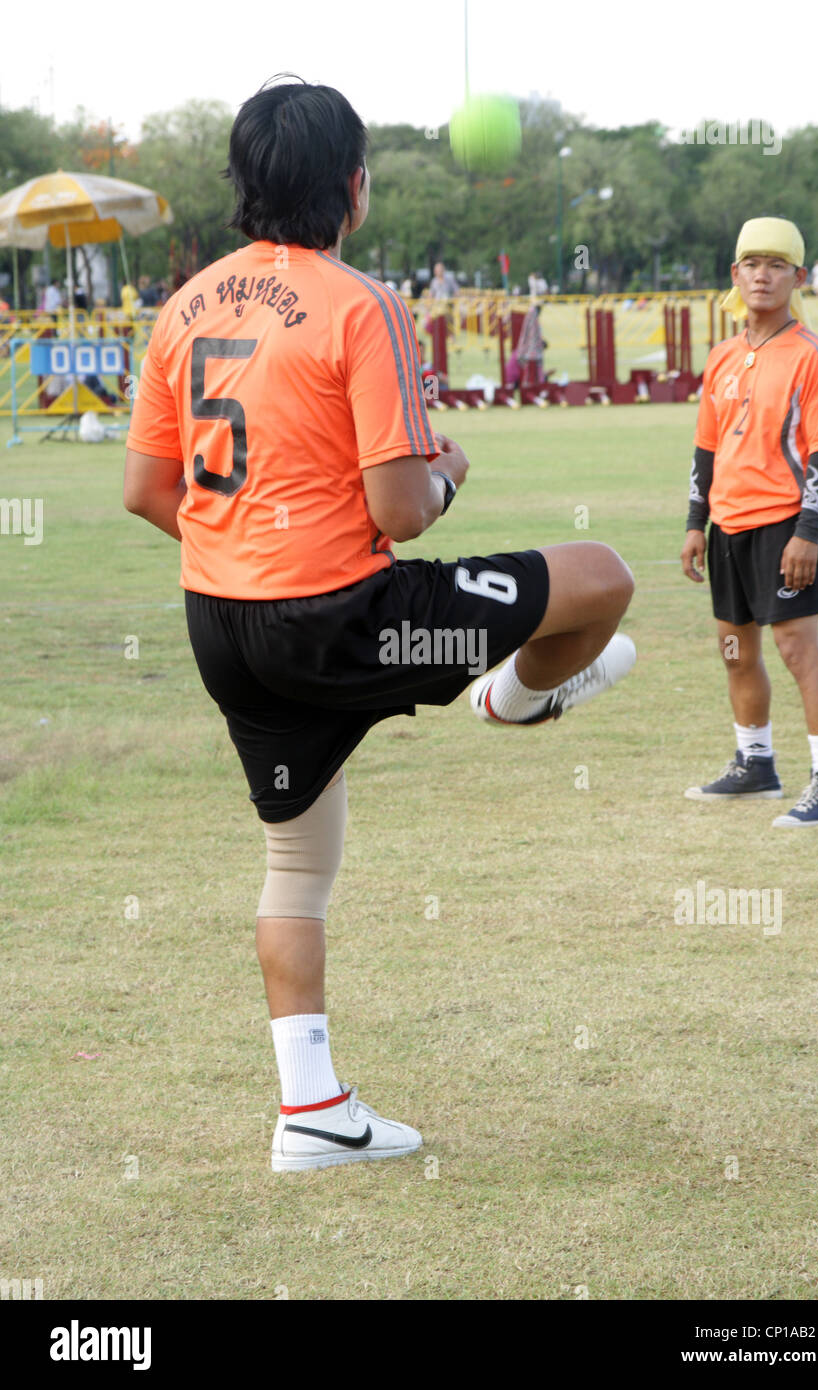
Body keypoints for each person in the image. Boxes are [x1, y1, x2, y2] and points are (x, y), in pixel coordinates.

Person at [123, 75, 636, 1174]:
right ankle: (513, 693)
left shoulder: (185, 304)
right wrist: (449, 471)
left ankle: (310, 1112)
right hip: (342, 615)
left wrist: (245, 552)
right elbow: (400, 512)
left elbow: (144, 489)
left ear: (240, 184)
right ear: (353, 189)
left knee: (295, 864)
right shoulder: (361, 304)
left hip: (221, 621)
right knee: (601, 577)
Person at [681, 217, 818, 826]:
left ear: (797, 277)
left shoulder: (812, 354)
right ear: (735, 274)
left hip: (785, 523)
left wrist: (809, 532)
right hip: (726, 525)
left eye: (776, 264)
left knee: (796, 649)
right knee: (735, 650)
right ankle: (755, 764)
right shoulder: (723, 356)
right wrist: (693, 523)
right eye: (752, 263)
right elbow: (707, 449)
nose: (762, 274)